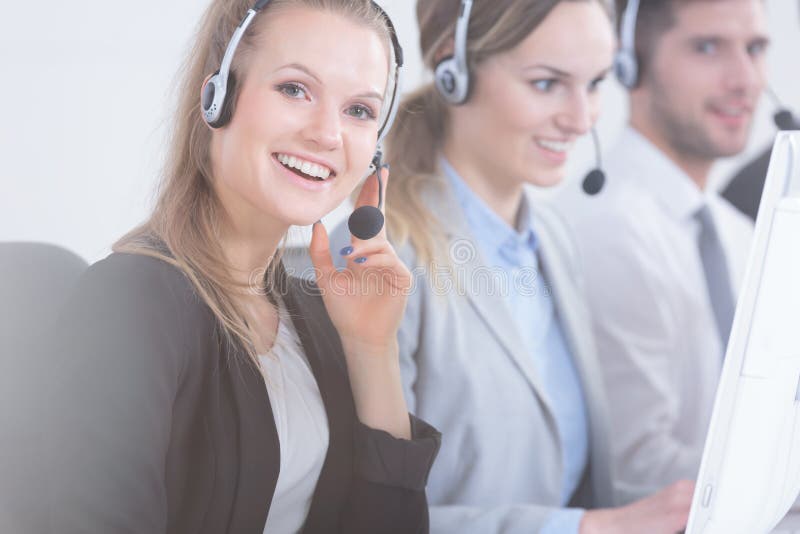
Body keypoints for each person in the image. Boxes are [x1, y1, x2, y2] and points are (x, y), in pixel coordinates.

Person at [26, 1, 441, 533]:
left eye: (359, 110)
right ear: (217, 95)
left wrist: (371, 349)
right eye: (295, 89)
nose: (327, 134)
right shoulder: (130, 305)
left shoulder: (316, 316)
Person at [334, 0, 694, 532]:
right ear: (452, 70)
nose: (581, 119)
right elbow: (368, 516)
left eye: (596, 83)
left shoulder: (552, 239)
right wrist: (588, 529)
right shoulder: (379, 257)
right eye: (548, 83)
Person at [558, 0, 767, 499]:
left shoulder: (739, 235)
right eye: (708, 47)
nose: (745, 80)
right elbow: (638, 471)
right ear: (629, 61)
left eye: (756, 49)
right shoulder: (603, 228)